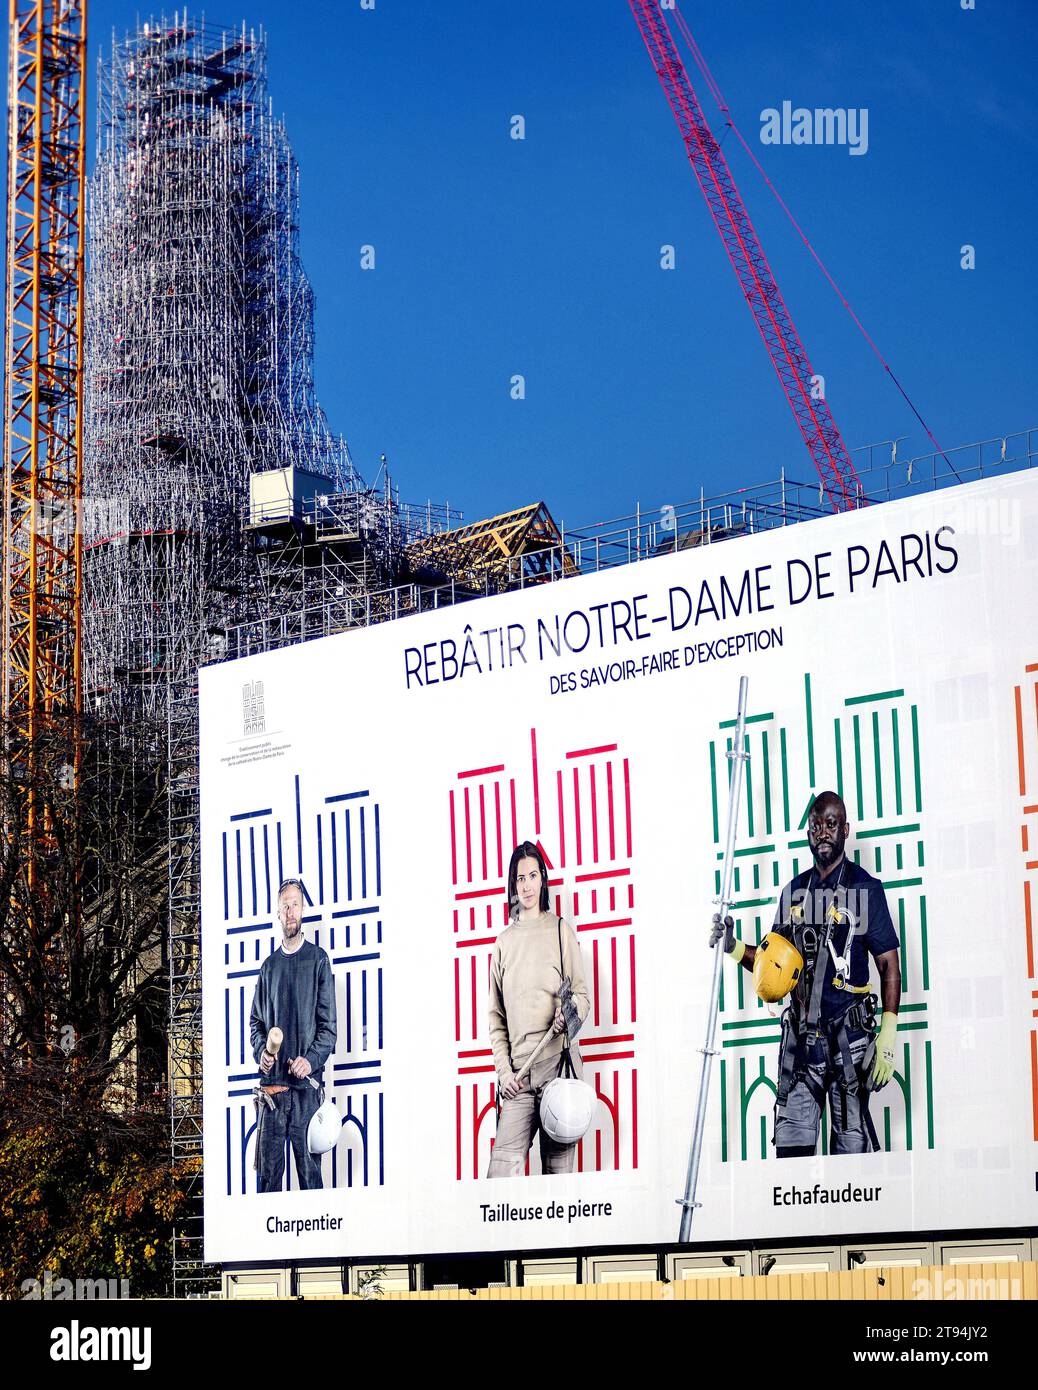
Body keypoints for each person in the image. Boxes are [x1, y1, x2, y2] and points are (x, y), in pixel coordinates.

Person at [711, 791, 901, 1156]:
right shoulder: (794, 892)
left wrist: (889, 1035)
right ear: (808, 833)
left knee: (852, 1163)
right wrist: (733, 946)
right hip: (800, 1050)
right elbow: (771, 964)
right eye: (816, 825)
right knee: (791, 1160)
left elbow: (888, 964)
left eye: (831, 824)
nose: (823, 832)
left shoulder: (865, 889)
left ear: (844, 830)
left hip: (850, 1044)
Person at [487, 841, 590, 1177]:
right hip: (518, 1078)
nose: (527, 885)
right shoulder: (504, 942)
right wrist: (504, 1073)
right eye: (520, 878)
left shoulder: (560, 931)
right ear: (513, 885)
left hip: (556, 1071)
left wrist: (569, 1012)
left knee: (558, 1185)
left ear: (543, 880)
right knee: (498, 1182)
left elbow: (582, 996)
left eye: (533, 875)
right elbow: (496, 1019)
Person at [249, 877, 338, 1191]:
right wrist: (262, 1050)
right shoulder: (268, 967)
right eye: (284, 905)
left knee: (311, 1184)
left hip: (306, 1093)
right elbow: (256, 1025)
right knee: (268, 1186)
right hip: (272, 1095)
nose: (290, 912)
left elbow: (329, 1030)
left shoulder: (318, 961)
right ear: (277, 913)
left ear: (303, 910)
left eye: (295, 905)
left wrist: (310, 1061)